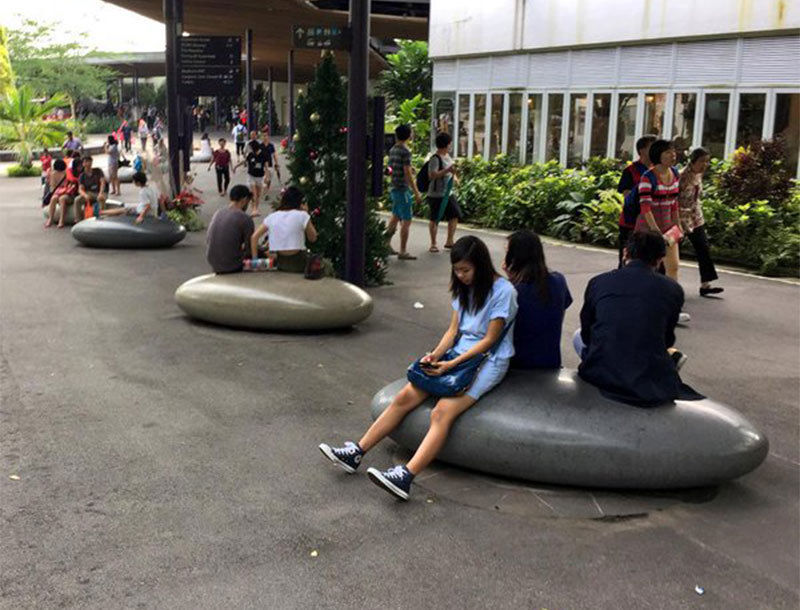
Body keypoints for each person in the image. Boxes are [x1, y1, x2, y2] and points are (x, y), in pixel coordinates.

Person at [318, 235, 518, 501]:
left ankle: (406, 476)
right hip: (456, 354)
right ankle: (356, 451)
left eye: (466, 270)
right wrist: (435, 356)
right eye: (457, 270)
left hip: (488, 360)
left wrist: (453, 363)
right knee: (405, 396)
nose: (461, 276)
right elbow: (453, 330)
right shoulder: (463, 288)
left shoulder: (503, 291)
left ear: (480, 265)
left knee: (442, 412)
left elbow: (490, 339)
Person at [575, 231, 692, 407]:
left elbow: (586, 334)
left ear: (625, 253)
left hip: (601, 372)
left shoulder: (599, 282)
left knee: (577, 336)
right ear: (660, 259)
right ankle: (669, 359)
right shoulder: (672, 289)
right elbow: (666, 338)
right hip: (649, 377)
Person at [504, 230, 572, 369]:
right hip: (551, 361)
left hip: (518, 365)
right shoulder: (558, 280)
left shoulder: (512, 292)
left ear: (514, 258)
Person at [678, 147, 724, 297]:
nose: (705, 164)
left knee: (703, 248)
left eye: (707, 161)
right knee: (672, 251)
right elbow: (674, 199)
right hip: (680, 218)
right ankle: (665, 282)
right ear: (693, 160)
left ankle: (706, 284)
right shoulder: (682, 176)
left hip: (696, 217)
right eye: (702, 161)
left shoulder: (699, 174)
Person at [249, 186, 318, 273]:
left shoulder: (272, 216)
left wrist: (255, 262)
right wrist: (307, 214)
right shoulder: (302, 215)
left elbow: (254, 237)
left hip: (281, 260)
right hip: (299, 260)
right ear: (299, 202)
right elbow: (313, 238)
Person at [384, 124, 423, 260]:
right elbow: (407, 173)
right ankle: (403, 250)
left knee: (395, 217)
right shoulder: (405, 151)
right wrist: (416, 192)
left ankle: (386, 244)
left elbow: (392, 168)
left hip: (394, 186)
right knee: (406, 220)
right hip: (402, 189)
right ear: (408, 135)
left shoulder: (393, 149)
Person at [616, 135, 655, 268]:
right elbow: (627, 197)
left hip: (652, 223)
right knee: (627, 259)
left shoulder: (660, 171)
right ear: (642, 150)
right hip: (630, 223)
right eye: (652, 147)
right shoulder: (630, 171)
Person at [206, 185, 255, 274]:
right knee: (261, 254)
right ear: (244, 200)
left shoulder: (219, 212)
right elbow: (250, 249)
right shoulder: (246, 219)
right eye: (248, 202)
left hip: (212, 261)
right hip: (231, 265)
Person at [426, 131, 462, 253]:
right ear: (446, 145)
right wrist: (447, 170)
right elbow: (432, 175)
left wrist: (455, 177)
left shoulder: (447, 157)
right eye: (450, 144)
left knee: (454, 214)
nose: (451, 146)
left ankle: (449, 241)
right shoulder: (435, 159)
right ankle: (433, 243)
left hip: (447, 193)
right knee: (435, 218)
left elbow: (451, 171)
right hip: (436, 194)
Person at [234, 139, 267, 216]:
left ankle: (256, 208)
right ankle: (254, 209)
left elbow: (266, 166)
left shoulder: (263, 154)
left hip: (260, 176)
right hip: (251, 176)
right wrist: (236, 166)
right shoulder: (250, 155)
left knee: (258, 195)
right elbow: (244, 161)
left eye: (250, 147)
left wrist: (267, 176)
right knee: (254, 194)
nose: (249, 149)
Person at [45, 157, 80, 228]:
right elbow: (53, 188)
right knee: (54, 198)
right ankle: (51, 219)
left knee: (62, 199)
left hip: (68, 193)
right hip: (60, 193)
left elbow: (53, 188)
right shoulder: (54, 174)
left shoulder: (67, 173)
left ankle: (61, 220)